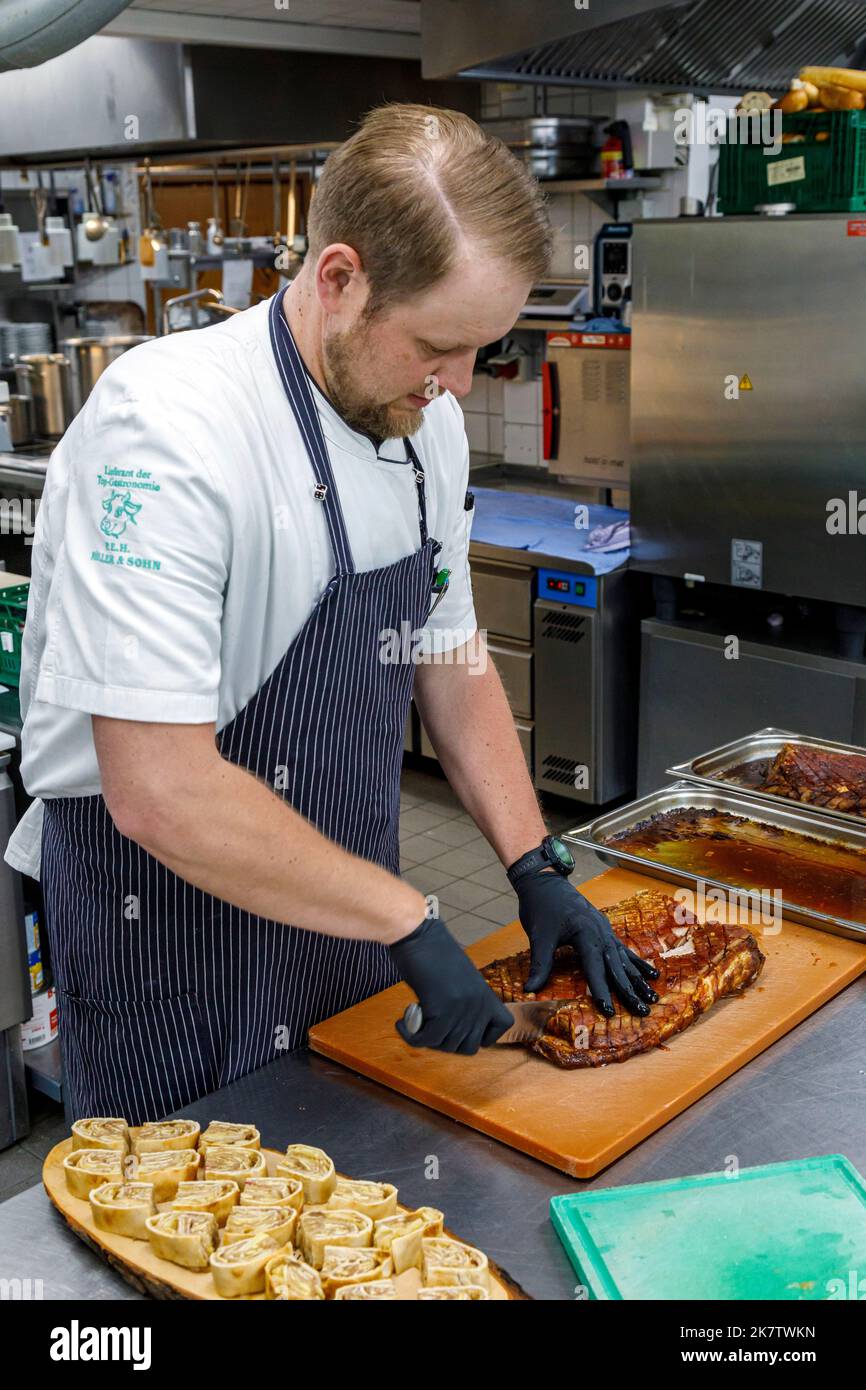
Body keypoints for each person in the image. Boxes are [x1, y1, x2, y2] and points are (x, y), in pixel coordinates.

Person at [7, 103, 657, 1123]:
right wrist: (407, 919)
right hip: (167, 934)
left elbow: (449, 655)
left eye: (481, 351)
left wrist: (534, 864)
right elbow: (159, 789)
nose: (457, 386)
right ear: (339, 277)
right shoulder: (165, 429)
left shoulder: (419, 428)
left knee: (350, 1217)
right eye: (438, 347)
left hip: (344, 912)